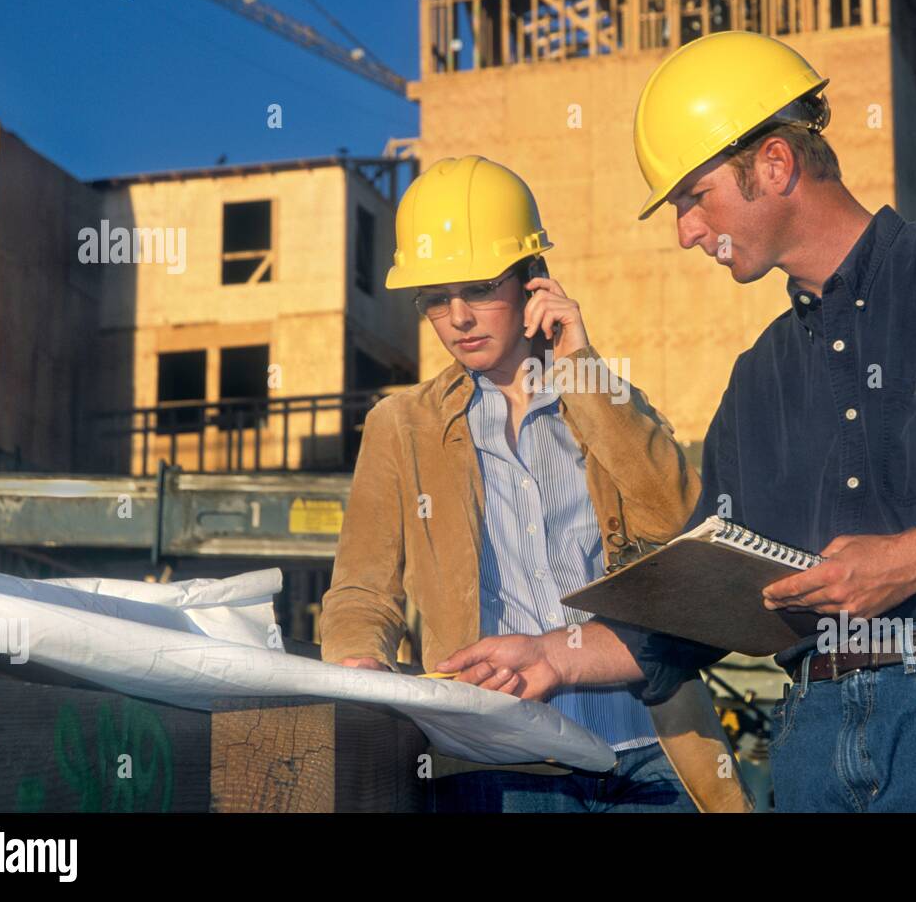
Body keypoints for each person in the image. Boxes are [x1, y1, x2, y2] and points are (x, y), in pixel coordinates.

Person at [438, 32, 916, 813]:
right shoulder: (756, 378)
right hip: (810, 736)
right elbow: (702, 608)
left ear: (773, 164)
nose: (684, 232)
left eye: (693, 197)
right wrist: (553, 657)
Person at [319, 155, 750, 813]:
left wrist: (581, 368)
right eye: (436, 298)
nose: (458, 316)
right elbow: (361, 588)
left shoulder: (603, 400)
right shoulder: (400, 427)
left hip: (652, 754)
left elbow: (681, 522)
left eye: (481, 288)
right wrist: (359, 666)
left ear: (534, 282)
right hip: (505, 762)